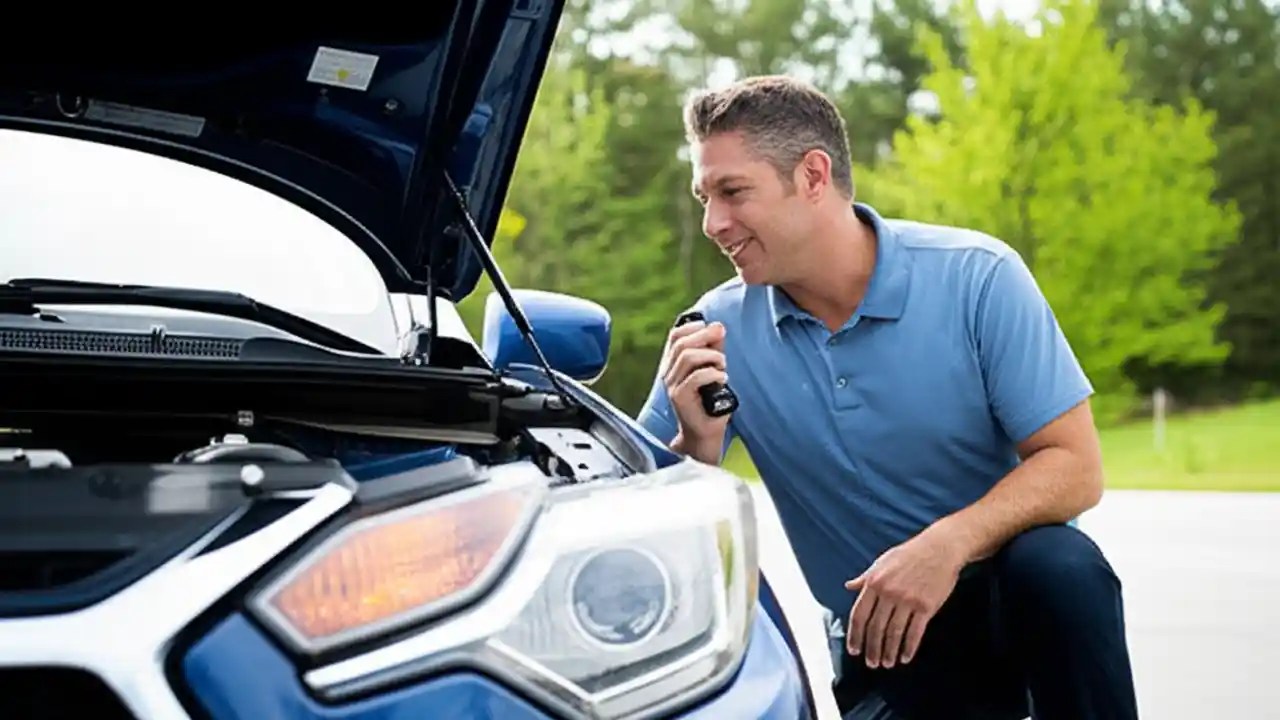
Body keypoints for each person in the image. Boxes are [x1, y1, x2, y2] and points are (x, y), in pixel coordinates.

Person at [636, 75, 1139, 720]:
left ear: (813, 176)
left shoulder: (978, 277)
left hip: (1018, 611)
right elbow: (647, 522)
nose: (713, 223)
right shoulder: (713, 331)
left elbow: (1076, 467)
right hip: (887, 647)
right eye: (705, 197)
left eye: (733, 192)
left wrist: (944, 547)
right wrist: (698, 446)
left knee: (1060, 565)